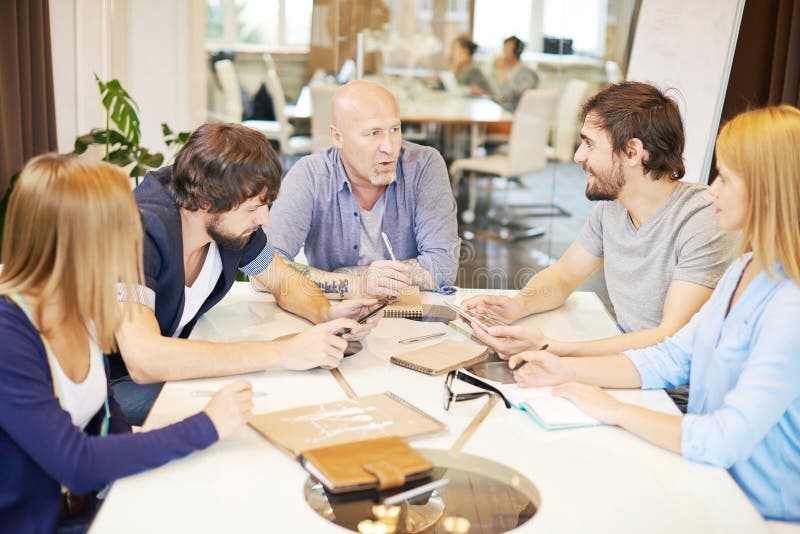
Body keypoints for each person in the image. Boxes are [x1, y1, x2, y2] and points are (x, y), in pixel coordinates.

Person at [508, 105, 800, 521]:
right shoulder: (745, 269)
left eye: (726, 178)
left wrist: (615, 410)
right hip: (710, 478)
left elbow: (722, 439)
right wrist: (564, 369)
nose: (712, 189)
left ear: (770, 191)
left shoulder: (791, 306)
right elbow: (673, 356)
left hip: (760, 511)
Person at [0, 154, 254, 532]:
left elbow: (107, 420)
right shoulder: (9, 334)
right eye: (123, 226)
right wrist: (204, 426)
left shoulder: (81, 306)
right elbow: (76, 462)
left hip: (86, 509)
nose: (137, 236)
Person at [112, 122, 377, 425]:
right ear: (206, 200)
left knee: (275, 391)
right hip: (108, 385)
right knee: (259, 402)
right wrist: (283, 352)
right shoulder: (137, 232)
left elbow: (282, 280)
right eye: (254, 208)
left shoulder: (232, 226)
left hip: (159, 371)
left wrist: (325, 313)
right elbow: (144, 360)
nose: (264, 219)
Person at [463, 82, 738, 371]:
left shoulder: (704, 218)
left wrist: (553, 349)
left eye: (589, 144)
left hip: (674, 392)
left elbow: (668, 337)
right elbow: (563, 276)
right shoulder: (612, 208)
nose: (578, 156)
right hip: (629, 366)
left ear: (633, 152)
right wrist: (518, 305)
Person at [265, 80, 460, 298]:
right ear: (338, 137)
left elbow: (442, 268)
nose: (389, 147)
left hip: (408, 313)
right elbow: (266, 269)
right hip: (331, 315)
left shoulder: (423, 165)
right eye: (373, 133)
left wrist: (343, 275)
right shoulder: (311, 175)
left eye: (395, 129)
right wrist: (356, 284)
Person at [491, 35, 539, 110]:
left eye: (507, 48)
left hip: (515, 113)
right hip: (503, 110)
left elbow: (505, 96)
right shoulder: (509, 70)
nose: (504, 51)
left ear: (516, 50)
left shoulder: (526, 73)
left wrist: (501, 69)